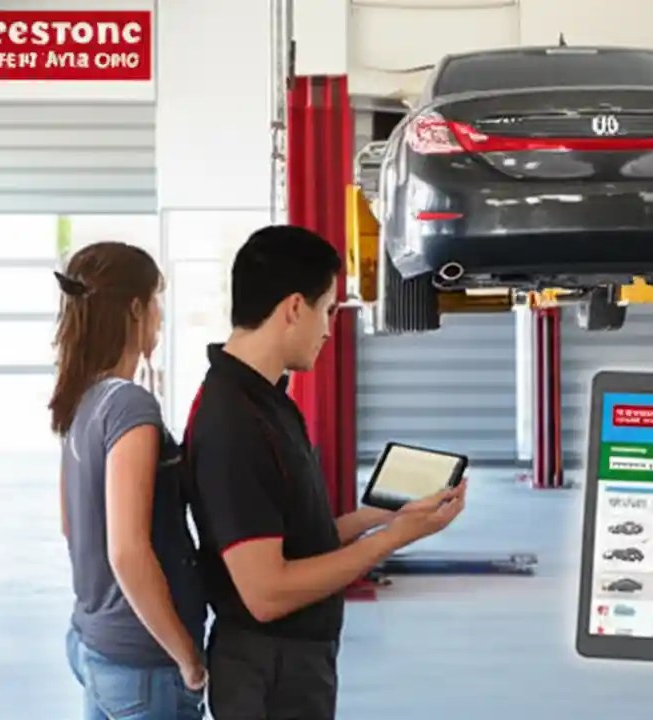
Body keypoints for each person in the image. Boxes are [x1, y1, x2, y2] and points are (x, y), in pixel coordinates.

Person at [184, 225, 468, 719]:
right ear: (295, 307)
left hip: (291, 665)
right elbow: (267, 592)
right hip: (267, 675)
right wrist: (392, 538)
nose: (330, 329)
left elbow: (293, 545)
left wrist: (375, 517)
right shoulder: (234, 424)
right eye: (328, 310)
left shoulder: (267, 399)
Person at [50, 241, 208, 720]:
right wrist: (187, 656)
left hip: (95, 639)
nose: (160, 315)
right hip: (145, 662)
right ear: (136, 307)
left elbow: (70, 524)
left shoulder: (83, 398)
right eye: (157, 300)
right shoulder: (130, 407)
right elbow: (127, 551)